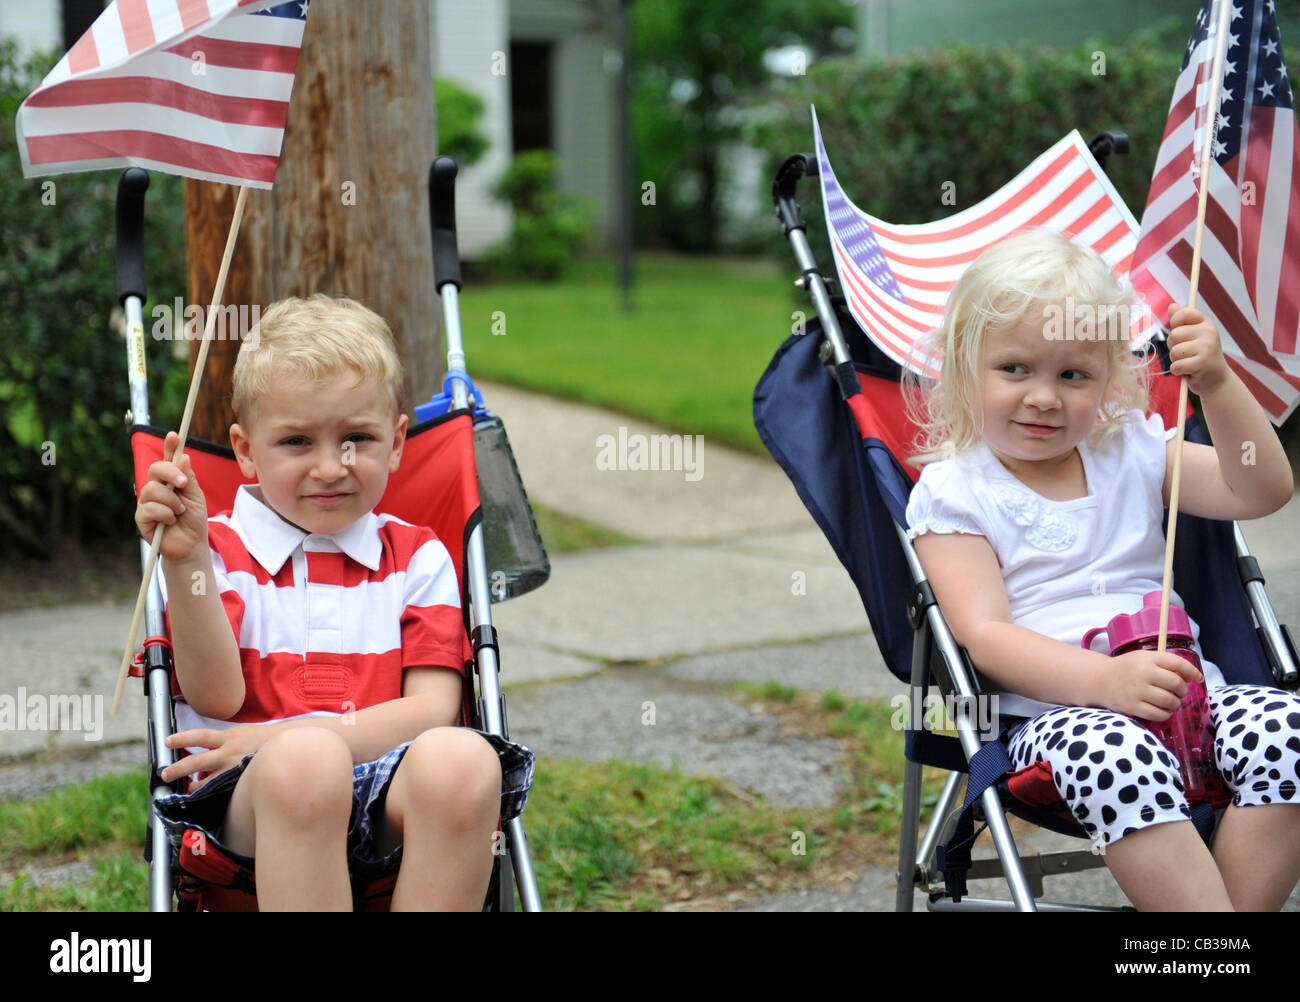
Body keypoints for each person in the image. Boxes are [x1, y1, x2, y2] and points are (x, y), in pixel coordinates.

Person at [904, 229, 1300, 911]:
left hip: (1193, 703)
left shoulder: (1135, 454)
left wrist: (1219, 385)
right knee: (1116, 750)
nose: (1044, 398)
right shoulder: (955, 492)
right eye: (1015, 370)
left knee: (1291, 732)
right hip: (1063, 720)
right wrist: (1104, 681)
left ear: (1110, 380)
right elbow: (986, 636)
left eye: (1072, 375)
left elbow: (1259, 491)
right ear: (964, 370)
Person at [134, 294, 533, 911]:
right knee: (308, 763)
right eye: (296, 441)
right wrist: (186, 562)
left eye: (357, 439)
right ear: (244, 451)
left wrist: (291, 736)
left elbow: (432, 713)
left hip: (383, 788)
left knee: (466, 759)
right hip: (247, 796)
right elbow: (215, 700)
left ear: (397, 441)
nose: (330, 467)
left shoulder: (418, 558)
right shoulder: (211, 552)